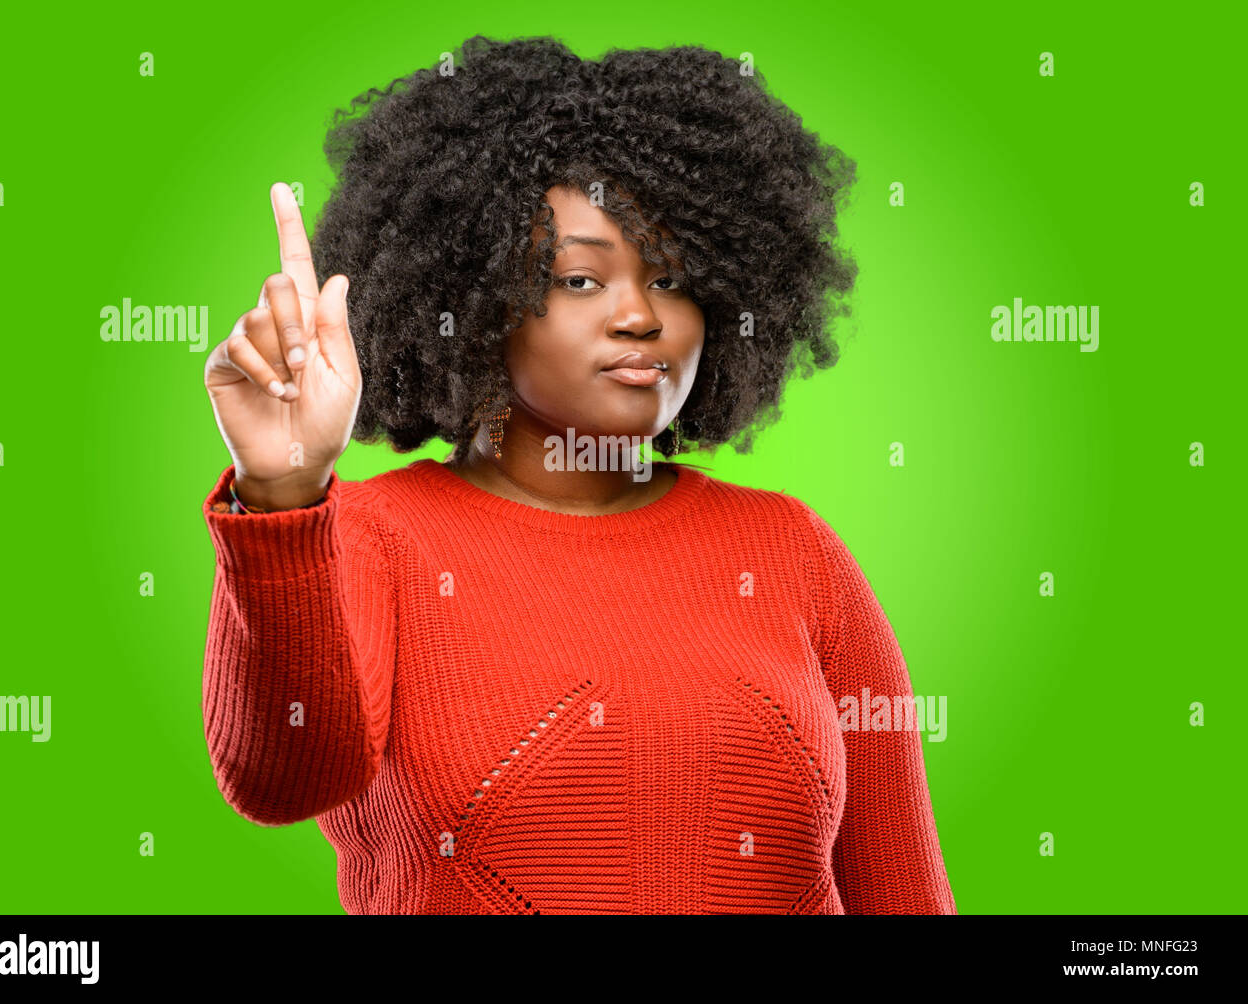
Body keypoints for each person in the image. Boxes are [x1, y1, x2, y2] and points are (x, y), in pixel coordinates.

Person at [200, 35, 956, 915]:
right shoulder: (370, 539)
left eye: (672, 278)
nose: (639, 316)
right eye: (581, 278)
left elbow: (905, 897)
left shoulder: (794, 553)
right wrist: (284, 492)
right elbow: (280, 783)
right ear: (476, 295)